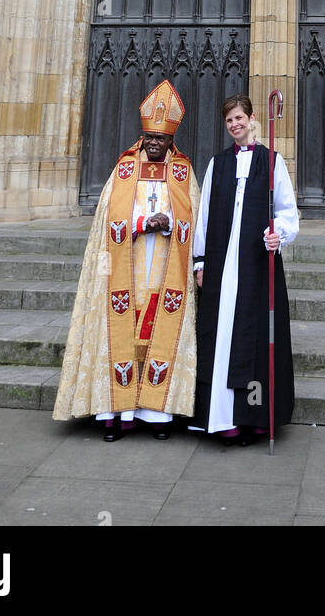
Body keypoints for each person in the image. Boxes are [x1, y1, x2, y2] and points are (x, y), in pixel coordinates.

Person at [53, 79, 199, 440]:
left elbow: (196, 219)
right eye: (149, 136)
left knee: (155, 334)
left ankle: (156, 416)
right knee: (121, 333)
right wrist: (142, 222)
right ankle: (116, 413)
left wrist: (170, 223)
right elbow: (107, 219)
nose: (153, 143)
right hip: (125, 267)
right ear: (143, 135)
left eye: (160, 139)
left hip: (167, 270)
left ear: (171, 140)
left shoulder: (183, 173)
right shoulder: (124, 170)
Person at [192, 94, 299, 444]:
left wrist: (277, 235)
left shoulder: (272, 162)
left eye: (239, 118)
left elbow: (286, 210)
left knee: (252, 337)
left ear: (253, 119)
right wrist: (200, 261)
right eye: (229, 121)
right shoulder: (217, 164)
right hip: (222, 262)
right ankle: (222, 417)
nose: (235, 125)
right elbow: (204, 217)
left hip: (255, 265)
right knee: (221, 335)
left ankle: (253, 416)